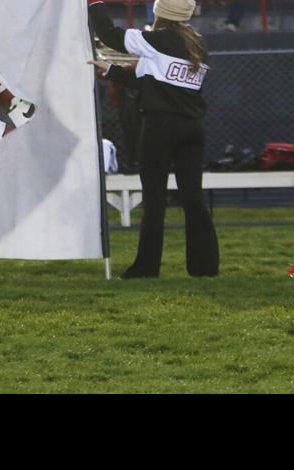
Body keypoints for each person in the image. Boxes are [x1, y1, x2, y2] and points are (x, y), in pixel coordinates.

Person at [88, 0, 218, 279]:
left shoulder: (155, 40)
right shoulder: (198, 43)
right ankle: (205, 267)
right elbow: (149, 84)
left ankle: (147, 267)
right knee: (194, 199)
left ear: (160, 12)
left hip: (160, 126)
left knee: (155, 199)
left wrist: (94, 4)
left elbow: (110, 35)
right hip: (193, 128)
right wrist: (110, 70)